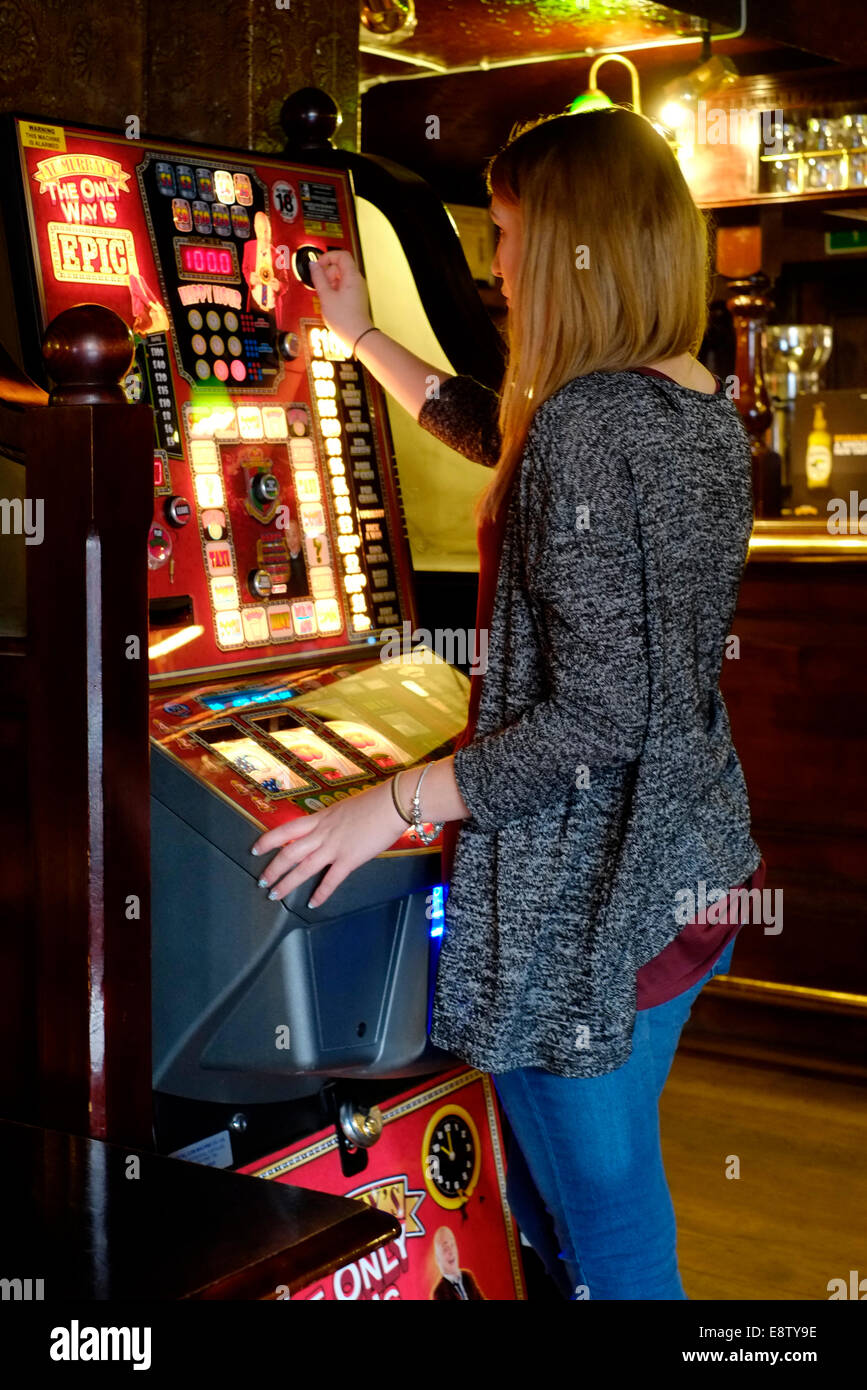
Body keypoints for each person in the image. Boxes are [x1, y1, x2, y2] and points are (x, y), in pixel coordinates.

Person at [250, 106, 764, 1300]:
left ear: (582, 245)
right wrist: (364, 337)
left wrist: (389, 803)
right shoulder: (691, 406)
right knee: (562, 1206)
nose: (498, 265)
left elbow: (593, 720)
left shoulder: (588, 424)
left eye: (516, 236)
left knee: (606, 1232)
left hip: (593, 898)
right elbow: (515, 440)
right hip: (685, 864)